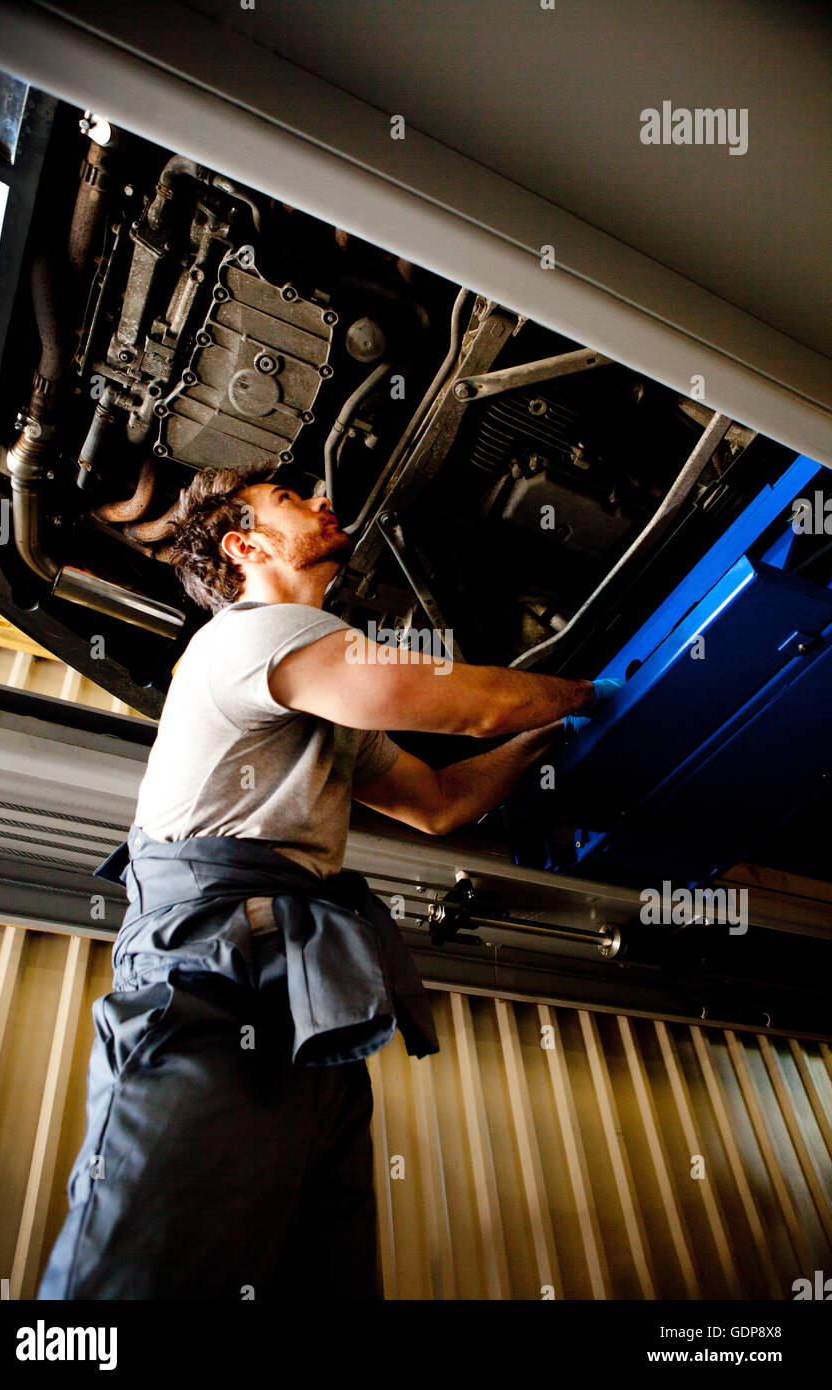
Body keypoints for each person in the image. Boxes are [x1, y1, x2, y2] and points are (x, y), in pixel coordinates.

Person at [37, 462, 621, 1300]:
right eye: (289, 500)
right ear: (243, 547)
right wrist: (591, 691)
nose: (321, 502)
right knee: (140, 1268)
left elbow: (439, 803)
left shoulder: (316, 686)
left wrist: (552, 732)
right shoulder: (249, 635)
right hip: (203, 979)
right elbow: (475, 707)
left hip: (300, 994)